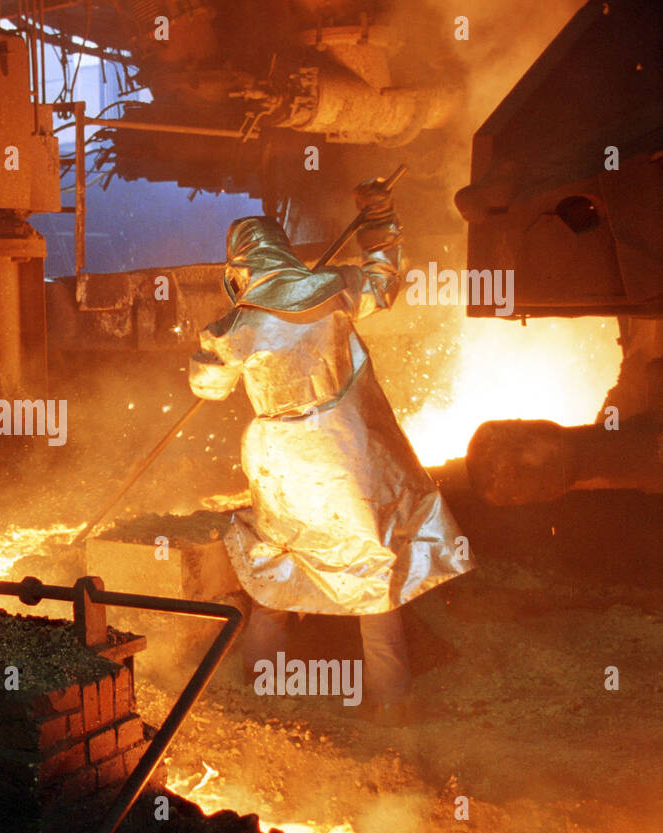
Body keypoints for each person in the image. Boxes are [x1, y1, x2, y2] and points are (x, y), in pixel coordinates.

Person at [188, 179, 472, 719]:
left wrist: (203, 363)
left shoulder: (235, 326)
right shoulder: (336, 288)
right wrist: (378, 216)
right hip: (345, 449)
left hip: (284, 462)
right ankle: (392, 703)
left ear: (240, 267)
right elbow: (385, 278)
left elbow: (210, 386)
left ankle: (259, 692)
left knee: (279, 563)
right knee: (370, 570)